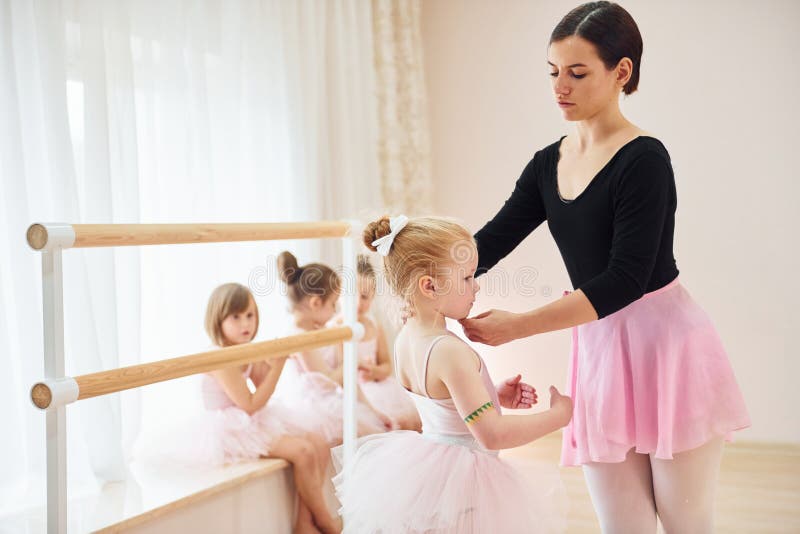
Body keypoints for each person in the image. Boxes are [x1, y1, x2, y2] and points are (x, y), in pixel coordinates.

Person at [459, 3, 751, 532]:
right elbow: (490, 241)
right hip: (598, 353)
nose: (560, 87)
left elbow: (625, 280)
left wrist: (517, 327)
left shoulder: (645, 159)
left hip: (669, 350)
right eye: (552, 73)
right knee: (622, 525)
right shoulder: (548, 163)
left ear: (622, 72)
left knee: (686, 521)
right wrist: (421, 268)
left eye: (577, 73)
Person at [333, 215, 569, 533]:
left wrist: (491, 394)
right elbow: (493, 434)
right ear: (429, 286)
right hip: (466, 483)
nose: (477, 285)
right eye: (467, 278)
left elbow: (441, 400)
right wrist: (559, 416)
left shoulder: (406, 339)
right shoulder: (449, 351)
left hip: (433, 470)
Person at [353, 254, 422, 431]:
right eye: (352, 294)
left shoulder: (375, 327)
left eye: (364, 296)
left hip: (379, 385)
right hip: (358, 391)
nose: (357, 302)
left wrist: (374, 371)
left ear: (373, 297)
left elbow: (386, 366)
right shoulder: (337, 327)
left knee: (413, 421)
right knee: (384, 424)